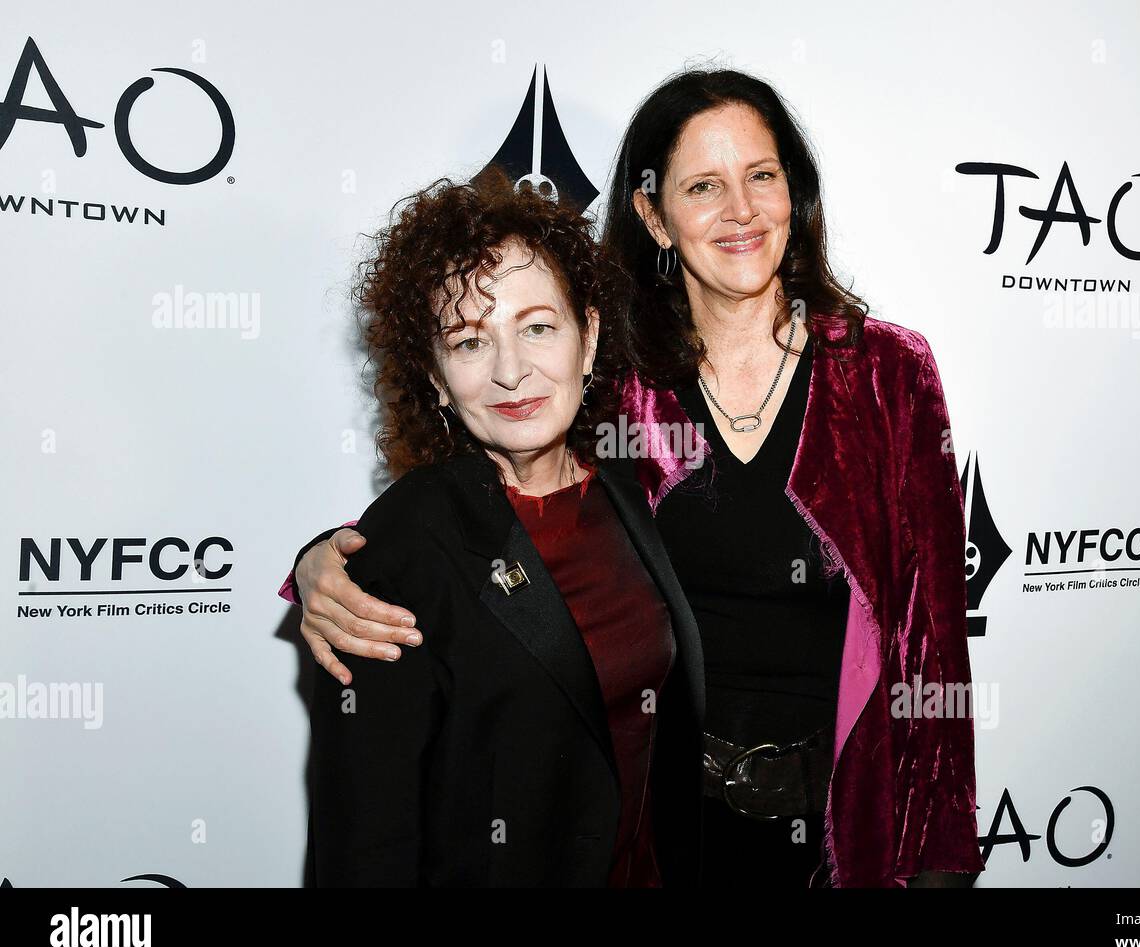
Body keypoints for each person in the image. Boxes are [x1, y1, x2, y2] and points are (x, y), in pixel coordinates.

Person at [288, 68, 982, 888]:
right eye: (703, 186)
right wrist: (320, 563)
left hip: (838, 833)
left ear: (794, 191)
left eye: (762, 176)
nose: (741, 210)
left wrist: (938, 861)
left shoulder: (885, 374)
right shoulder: (610, 378)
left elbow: (934, 636)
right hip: (656, 834)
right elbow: (478, 504)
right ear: (654, 213)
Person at [305, 170, 704, 887]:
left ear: (588, 339)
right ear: (434, 375)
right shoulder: (400, 547)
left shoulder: (626, 492)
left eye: (538, 327)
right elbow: (367, 843)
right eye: (468, 342)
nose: (511, 372)